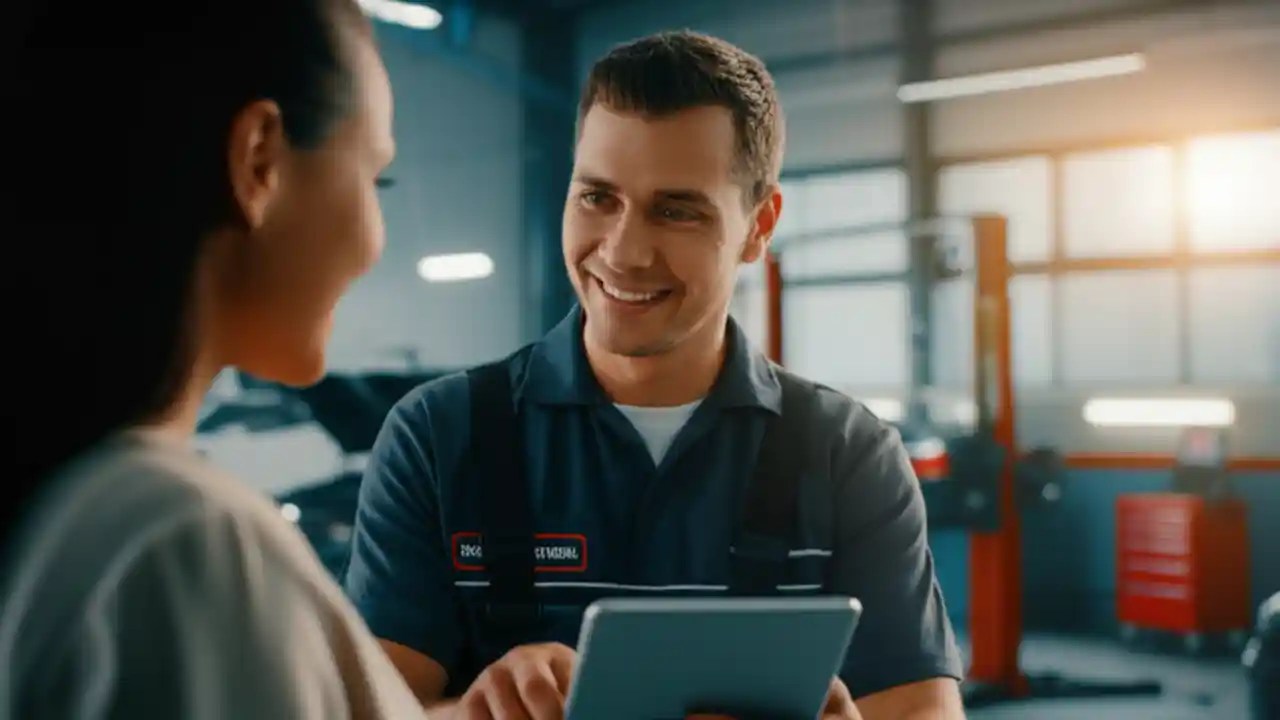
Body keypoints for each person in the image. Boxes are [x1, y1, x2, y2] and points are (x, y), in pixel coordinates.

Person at [345, 30, 966, 720]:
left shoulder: (847, 453)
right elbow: (368, 712)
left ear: (759, 225)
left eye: (676, 211)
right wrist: (480, 712)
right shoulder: (438, 437)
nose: (624, 251)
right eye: (597, 199)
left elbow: (920, 709)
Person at [3, 1, 426, 717]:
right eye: (374, 179)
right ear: (258, 158)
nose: (375, 238)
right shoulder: (186, 542)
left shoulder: (79, 510)